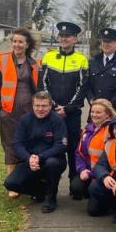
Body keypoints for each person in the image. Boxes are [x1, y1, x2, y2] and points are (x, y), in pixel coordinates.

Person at [0, 27, 39, 198]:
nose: (17, 45)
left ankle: (25, 181)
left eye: (20, 42)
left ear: (27, 45)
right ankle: (12, 183)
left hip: (28, 112)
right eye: (15, 41)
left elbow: (37, 88)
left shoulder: (34, 64)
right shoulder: (2, 60)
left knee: (27, 144)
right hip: (8, 112)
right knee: (10, 145)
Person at [38, 21, 89, 181]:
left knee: (73, 148)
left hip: (72, 114)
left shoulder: (81, 59)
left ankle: (74, 182)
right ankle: (48, 183)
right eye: (61, 36)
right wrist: (53, 106)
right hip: (51, 113)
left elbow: (83, 87)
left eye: (68, 36)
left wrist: (67, 109)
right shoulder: (49, 56)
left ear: (75, 39)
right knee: (50, 147)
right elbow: (42, 83)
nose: (64, 39)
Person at [4, 91, 67, 213]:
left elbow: (61, 145)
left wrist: (40, 156)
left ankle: (51, 198)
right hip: (31, 160)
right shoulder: (25, 120)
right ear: (32, 105)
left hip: (52, 159)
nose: (40, 109)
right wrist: (29, 158)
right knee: (10, 183)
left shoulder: (57, 120)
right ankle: (41, 191)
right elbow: (17, 143)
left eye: (44, 106)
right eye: (37, 105)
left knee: (52, 164)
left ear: (50, 106)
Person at [70, 98, 115, 201]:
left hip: (103, 173)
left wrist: (91, 173)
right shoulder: (88, 129)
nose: (94, 115)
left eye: (98, 112)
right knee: (75, 187)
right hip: (87, 171)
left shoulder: (111, 131)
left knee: (94, 206)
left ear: (107, 114)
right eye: (92, 112)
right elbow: (78, 152)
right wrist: (82, 169)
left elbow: (110, 161)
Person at [85, 27, 116, 112]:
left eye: (109, 42)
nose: (106, 44)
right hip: (96, 112)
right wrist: (92, 101)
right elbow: (87, 86)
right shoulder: (92, 62)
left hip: (115, 111)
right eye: (104, 41)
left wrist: (107, 107)